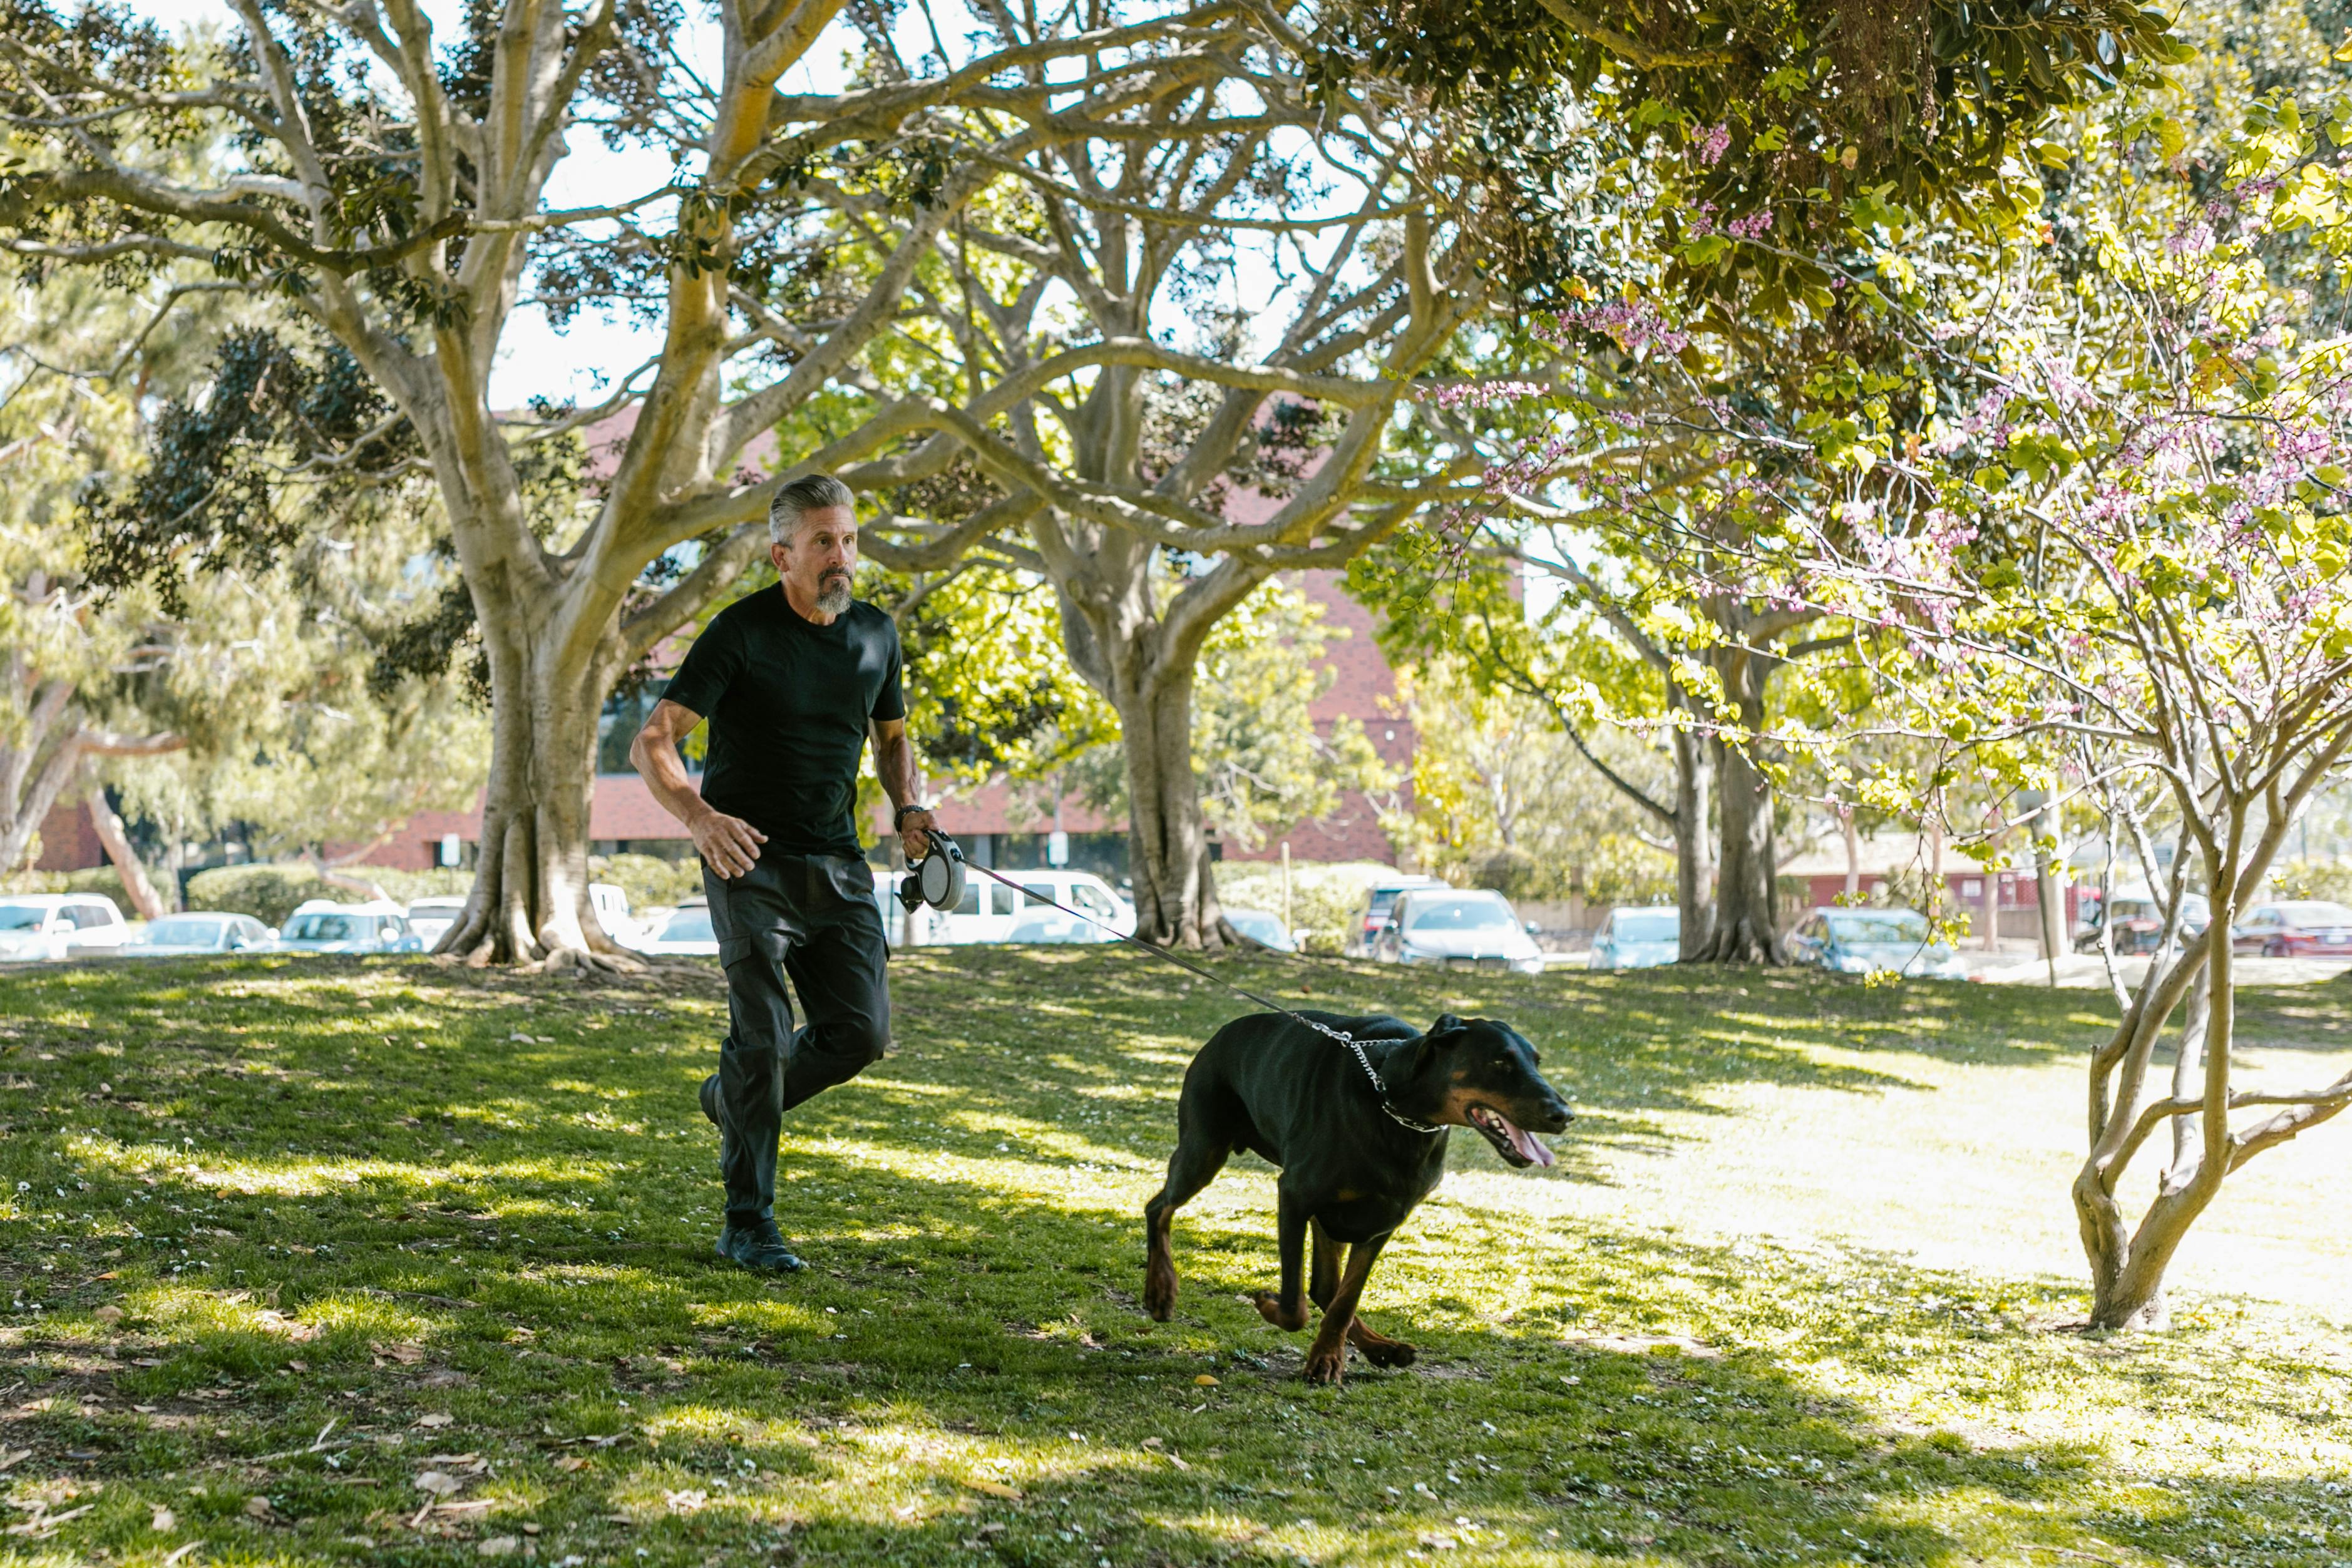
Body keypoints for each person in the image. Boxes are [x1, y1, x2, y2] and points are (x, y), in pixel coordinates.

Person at [629, 473, 937, 1274]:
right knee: (761, 1037)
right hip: (749, 860)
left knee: (861, 1034)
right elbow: (654, 739)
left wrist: (909, 806)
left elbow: (893, 735)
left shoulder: (876, 634)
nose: (842, 558)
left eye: (850, 540)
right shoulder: (740, 633)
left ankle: (731, 1099)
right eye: (824, 543)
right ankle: (748, 1222)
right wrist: (700, 818)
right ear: (782, 555)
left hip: (837, 864)